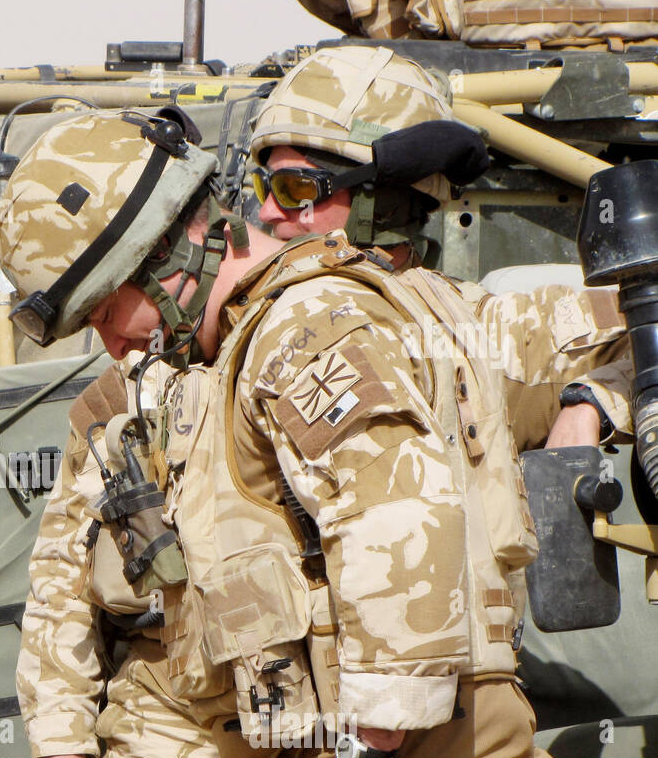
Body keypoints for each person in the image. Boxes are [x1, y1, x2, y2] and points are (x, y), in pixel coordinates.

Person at [0, 107, 574, 758]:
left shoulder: (302, 329)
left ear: (169, 256)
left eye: (106, 304)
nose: (109, 337)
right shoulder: (241, 345)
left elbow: (402, 526)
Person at [247, 45, 632, 453]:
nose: (268, 211)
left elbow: (646, 328)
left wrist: (592, 404)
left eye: (295, 189)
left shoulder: (482, 337)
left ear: (380, 205)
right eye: (264, 186)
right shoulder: (240, 318)